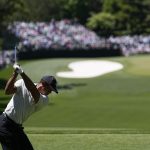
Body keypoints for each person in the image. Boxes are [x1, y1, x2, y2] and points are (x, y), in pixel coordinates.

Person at [0, 64, 58, 150]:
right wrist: (15, 74)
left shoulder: (45, 99)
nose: (50, 92)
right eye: (50, 89)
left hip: (17, 127)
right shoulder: (22, 83)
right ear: (43, 85)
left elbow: (33, 90)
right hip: (5, 124)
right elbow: (7, 91)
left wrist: (22, 73)